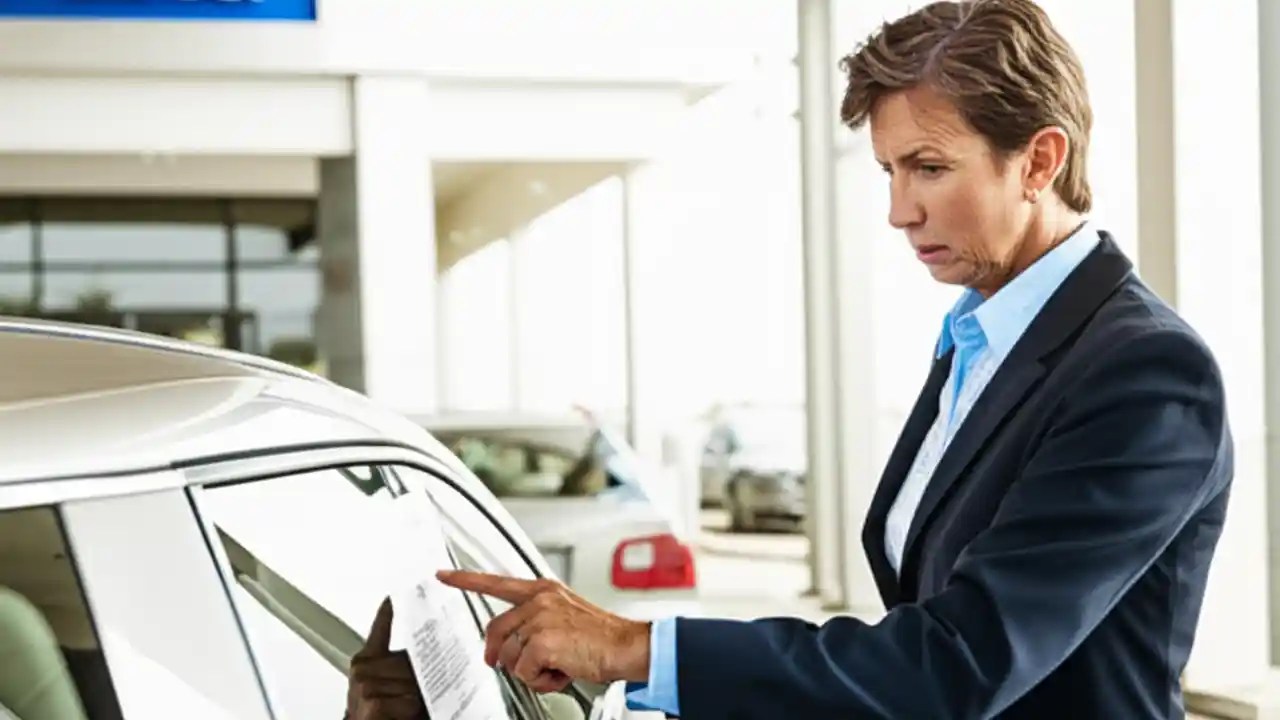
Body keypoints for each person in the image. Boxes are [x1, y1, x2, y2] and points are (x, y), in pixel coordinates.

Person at [349, 0, 1234, 717]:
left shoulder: (1146, 375)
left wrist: (631, 646)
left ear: (1040, 158)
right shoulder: (979, 335)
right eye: (888, 171)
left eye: (927, 168)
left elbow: (959, 661)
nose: (899, 210)